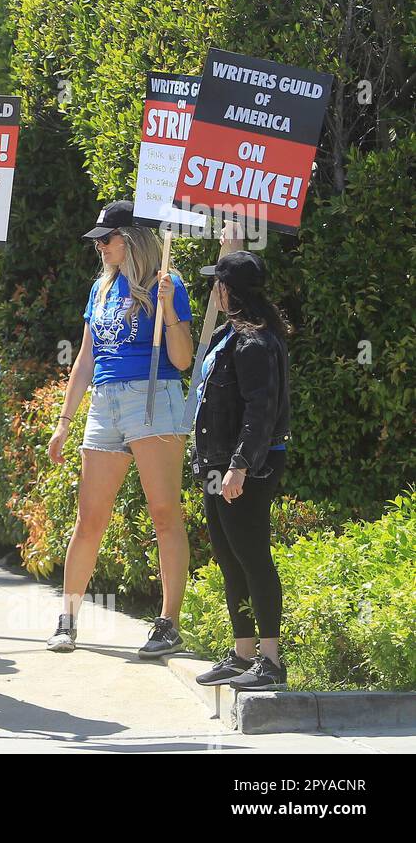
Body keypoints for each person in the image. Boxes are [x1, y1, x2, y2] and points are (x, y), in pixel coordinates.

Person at [46, 200, 194, 657]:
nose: (100, 247)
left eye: (106, 239)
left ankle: (168, 623)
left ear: (130, 239)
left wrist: (168, 309)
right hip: (105, 403)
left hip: (154, 396)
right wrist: (65, 421)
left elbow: (184, 359)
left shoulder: (168, 284)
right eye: (98, 240)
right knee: (89, 517)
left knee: (165, 512)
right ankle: (67, 619)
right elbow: (86, 357)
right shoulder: (101, 288)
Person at [190, 248, 292, 691]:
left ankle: (270, 661)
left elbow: (260, 410)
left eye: (218, 282)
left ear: (228, 290)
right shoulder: (229, 336)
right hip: (219, 465)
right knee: (230, 559)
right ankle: (242, 653)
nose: (213, 288)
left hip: (246, 467)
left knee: (253, 557)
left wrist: (239, 466)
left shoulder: (255, 341)